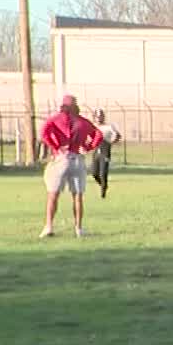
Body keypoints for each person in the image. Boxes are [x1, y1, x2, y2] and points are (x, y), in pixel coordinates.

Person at [39, 94, 100, 238]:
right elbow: (98, 134)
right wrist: (89, 147)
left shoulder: (55, 119)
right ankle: (78, 228)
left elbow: (44, 133)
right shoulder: (83, 122)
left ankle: (48, 226)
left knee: (53, 194)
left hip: (61, 158)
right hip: (77, 159)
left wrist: (55, 146)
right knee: (77, 196)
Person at [90, 108, 119, 199]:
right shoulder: (92, 126)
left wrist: (112, 141)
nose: (99, 118)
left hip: (105, 150)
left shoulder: (109, 126)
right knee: (94, 173)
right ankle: (103, 185)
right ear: (95, 117)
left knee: (103, 173)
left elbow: (117, 135)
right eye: (98, 116)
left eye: (101, 116)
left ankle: (103, 193)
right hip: (96, 150)